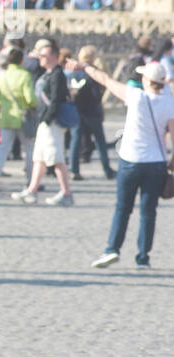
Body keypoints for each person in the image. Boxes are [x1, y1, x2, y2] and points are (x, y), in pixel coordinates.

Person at [73, 60, 174, 268]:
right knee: (149, 212)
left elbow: (106, 80)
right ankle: (143, 258)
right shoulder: (169, 103)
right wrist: (171, 163)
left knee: (122, 208)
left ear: (146, 80)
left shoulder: (135, 96)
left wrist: (84, 67)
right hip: (156, 163)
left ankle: (112, 249)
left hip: (131, 160)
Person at [11, 38, 74, 205]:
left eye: (44, 55)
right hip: (44, 121)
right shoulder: (46, 73)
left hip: (51, 122)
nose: (41, 58)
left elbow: (55, 100)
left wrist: (47, 119)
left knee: (56, 157)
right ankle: (32, 190)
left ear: (53, 56)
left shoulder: (57, 74)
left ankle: (66, 193)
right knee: (39, 157)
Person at [0, 46, 36, 191]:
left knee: (3, 149)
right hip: (22, 117)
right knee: (29, 149)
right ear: (21, 61)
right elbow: (30, 99)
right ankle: (30, 179)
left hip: (6, 117)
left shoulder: (2, 76)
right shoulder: (25, 75)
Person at [69, 45, 116, 181]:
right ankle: (107, 169)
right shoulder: (94, 72)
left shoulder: (75, 72)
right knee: (100, 141)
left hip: (78, 110)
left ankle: (74, 170)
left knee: (76, 140)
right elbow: (97, 94)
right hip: (92, 111)